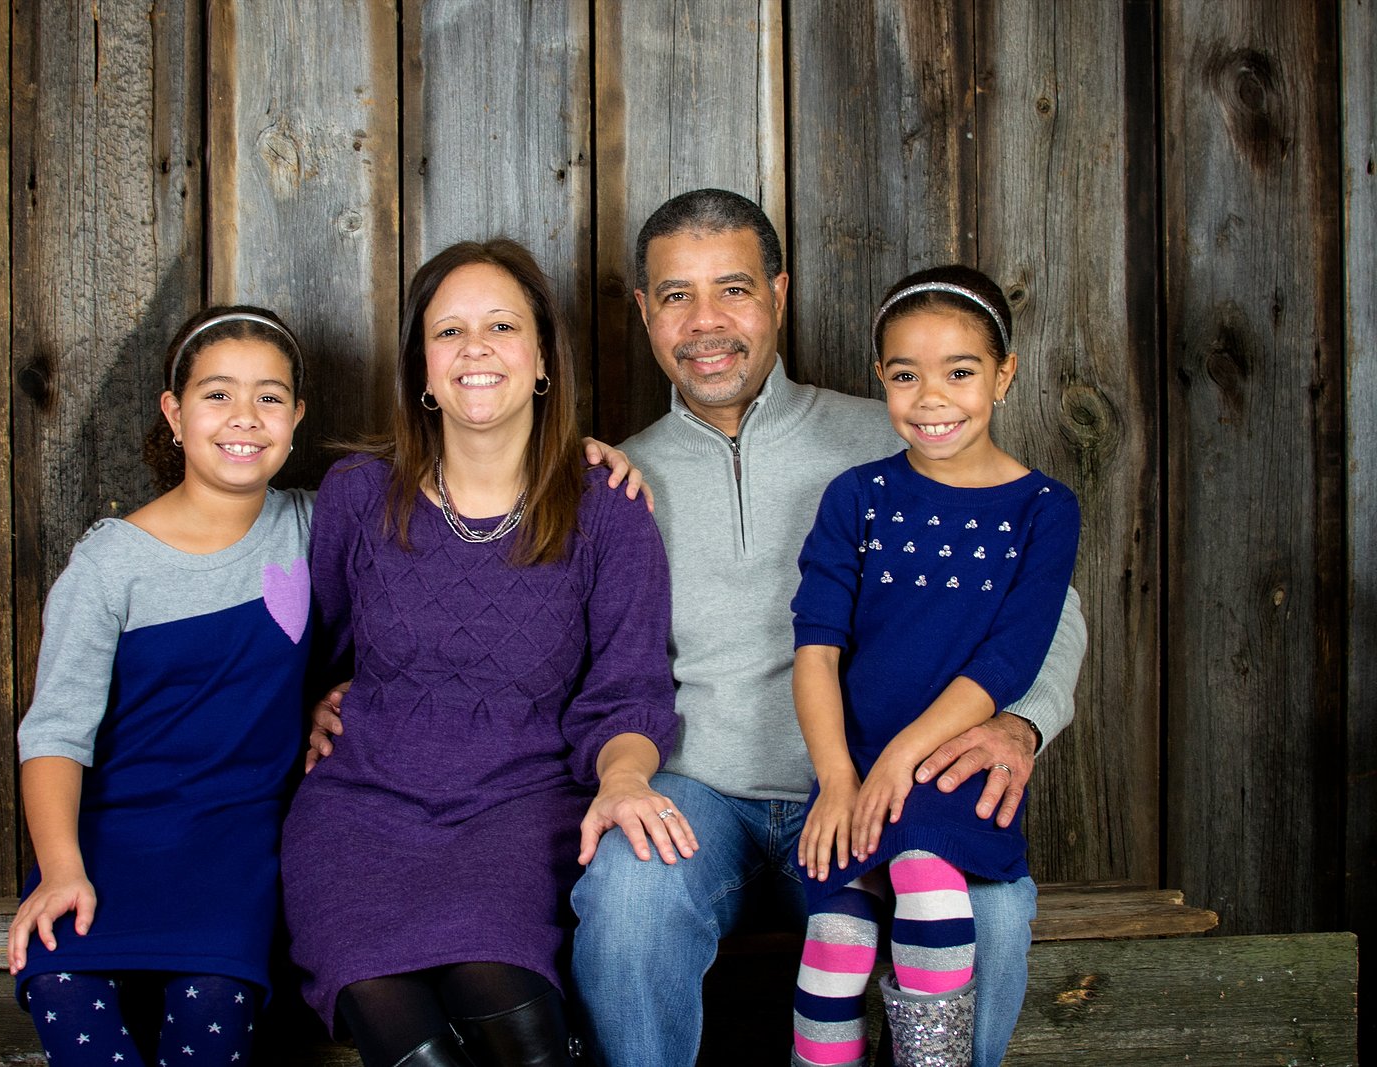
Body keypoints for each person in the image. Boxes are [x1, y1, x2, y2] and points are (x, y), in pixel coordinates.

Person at [565, 189, 1087, 1067]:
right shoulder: (618, 479)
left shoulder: (891, 436)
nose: (705, 322)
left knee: (989, 912)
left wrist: (1020, 719)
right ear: (644, 312)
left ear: (779, 292)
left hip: (883, 783)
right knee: (626, 902)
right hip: (699, 791)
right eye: (676, 294)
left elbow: (1047, 606)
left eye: (732, 288)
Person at [280, 238, 689, 1067]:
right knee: (407, 1039)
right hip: (360, 813)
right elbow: (305, 651)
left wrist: (622, 775)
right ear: (422, 369)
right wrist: (305, 705)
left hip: (519, 808)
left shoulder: (608, 511)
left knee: (509, 1015)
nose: (474, 349)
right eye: (449, 332)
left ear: (542, 359)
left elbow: (629, 689)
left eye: (501, 326)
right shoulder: (359, 495)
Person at [788, 265, 1080, 1066]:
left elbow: (1013, 655)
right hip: (853, 764)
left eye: (960, 371)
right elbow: (815, 648)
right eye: (905, 375)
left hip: (948, 764)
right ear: (880, 378)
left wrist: (900, 761)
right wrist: (840, 775)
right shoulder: (858, 496)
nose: (932, 397)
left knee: (926, 874)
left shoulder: (1045, 509)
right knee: (838, 935)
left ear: (1003, 375)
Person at [7, 307, 313, 1064]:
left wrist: (588, 456)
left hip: (236, 845)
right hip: (106, 841)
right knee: (64, 986)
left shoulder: (314, 525)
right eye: (217, 394)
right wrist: (60, 868)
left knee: (213, 1004)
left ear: (297, 417)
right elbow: (55, 731)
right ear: (174, 413)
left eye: (270, 396)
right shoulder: (111, 565)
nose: (245, 416)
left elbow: (452, 490)